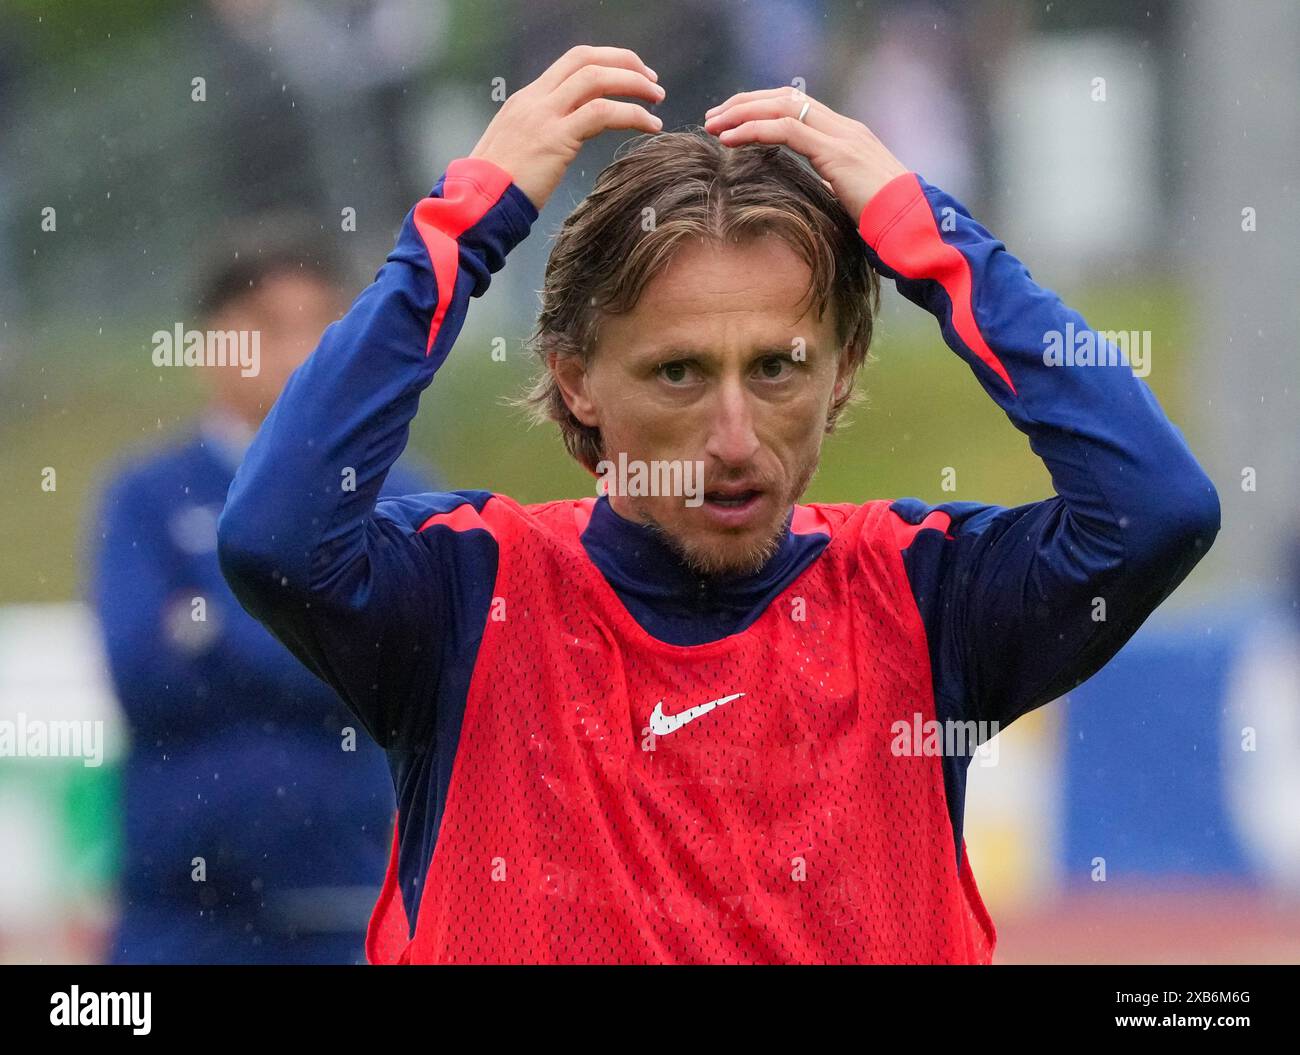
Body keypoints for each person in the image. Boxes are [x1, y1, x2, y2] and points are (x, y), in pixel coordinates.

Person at [217, 46, 1220, 964]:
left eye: (778, 367)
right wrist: (461, 226)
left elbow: (1155, 506)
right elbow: (273, 536)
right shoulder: (465, 592)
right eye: (679, 373)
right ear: (576, 380)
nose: (735, 438)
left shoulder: (923, 595)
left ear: (842, 372)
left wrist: (931, 238)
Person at [91, 223, 432, 963]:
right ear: (211, 340)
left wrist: (215, 622)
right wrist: (310, 626)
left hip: (348, 901)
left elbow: (392, 675)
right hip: (179, 909)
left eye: (321, 326)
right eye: (266, 327)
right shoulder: (145, 496)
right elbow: (140, 676)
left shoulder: (399, 495)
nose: (294, 351)